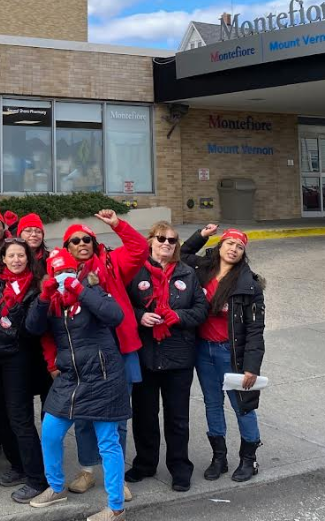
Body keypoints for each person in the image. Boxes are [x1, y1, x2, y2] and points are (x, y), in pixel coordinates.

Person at [25, 249, 129, 521]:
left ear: (77, 271)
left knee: (108, 442)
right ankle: (56, 487)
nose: (63, 276)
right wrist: (44, 296)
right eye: (58, 272)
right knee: (50, 432)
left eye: (68, 271)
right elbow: (33, 328)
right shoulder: (51, 300)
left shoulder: (92, 290)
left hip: (103, 376)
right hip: (71, 378)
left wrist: (81, 290)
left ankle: (116, 507)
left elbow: (115, 315)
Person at [58, 210, 147, 500]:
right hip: (84, 356)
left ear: (95, 244)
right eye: (75, 241)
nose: (82, 244)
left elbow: (140, 249)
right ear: (67, 247)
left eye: (87, 240)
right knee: (83, 415)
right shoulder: (62, 275)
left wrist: (118, 225)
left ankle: (115, 476)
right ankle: (87, 469)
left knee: (117, 417)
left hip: (120, 350)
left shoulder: (112, 262)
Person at [125, 222, 207, 492]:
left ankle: (180, 468)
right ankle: (145, 463)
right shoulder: (136, 271)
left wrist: (178, 316)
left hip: (178, 356)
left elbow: (201, 310)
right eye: (161, 238)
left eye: (172, 240)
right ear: (150, 241)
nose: (167, 244)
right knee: (144, 416)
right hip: (145, 356)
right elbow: (123, 305)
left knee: (177, 418)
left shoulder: (187, 273)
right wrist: (140, 316)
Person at [181, 226, 266, 483]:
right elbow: (182, 254)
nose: (233, 249)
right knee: (212, 403)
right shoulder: (202, 270)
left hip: (231, 353)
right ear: (220, 246)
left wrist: (252, 367)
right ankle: (219, 458)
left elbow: (255, 329)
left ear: (243, 253)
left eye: (239, 247)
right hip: (203, 350)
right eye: (229, 243)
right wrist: (201, 235)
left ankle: (249, 460)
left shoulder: (249, 285)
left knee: (242, 406)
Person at [0, 239, 52, 504]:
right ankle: (18, 465)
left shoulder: (36, 287)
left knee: (20, 417)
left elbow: (34, 327)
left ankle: (37, 478)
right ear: (3, 259)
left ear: (28, 258)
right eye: (11, 256)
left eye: (21, 255)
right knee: (0, 414)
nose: (16, 260)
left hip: (19, 358)